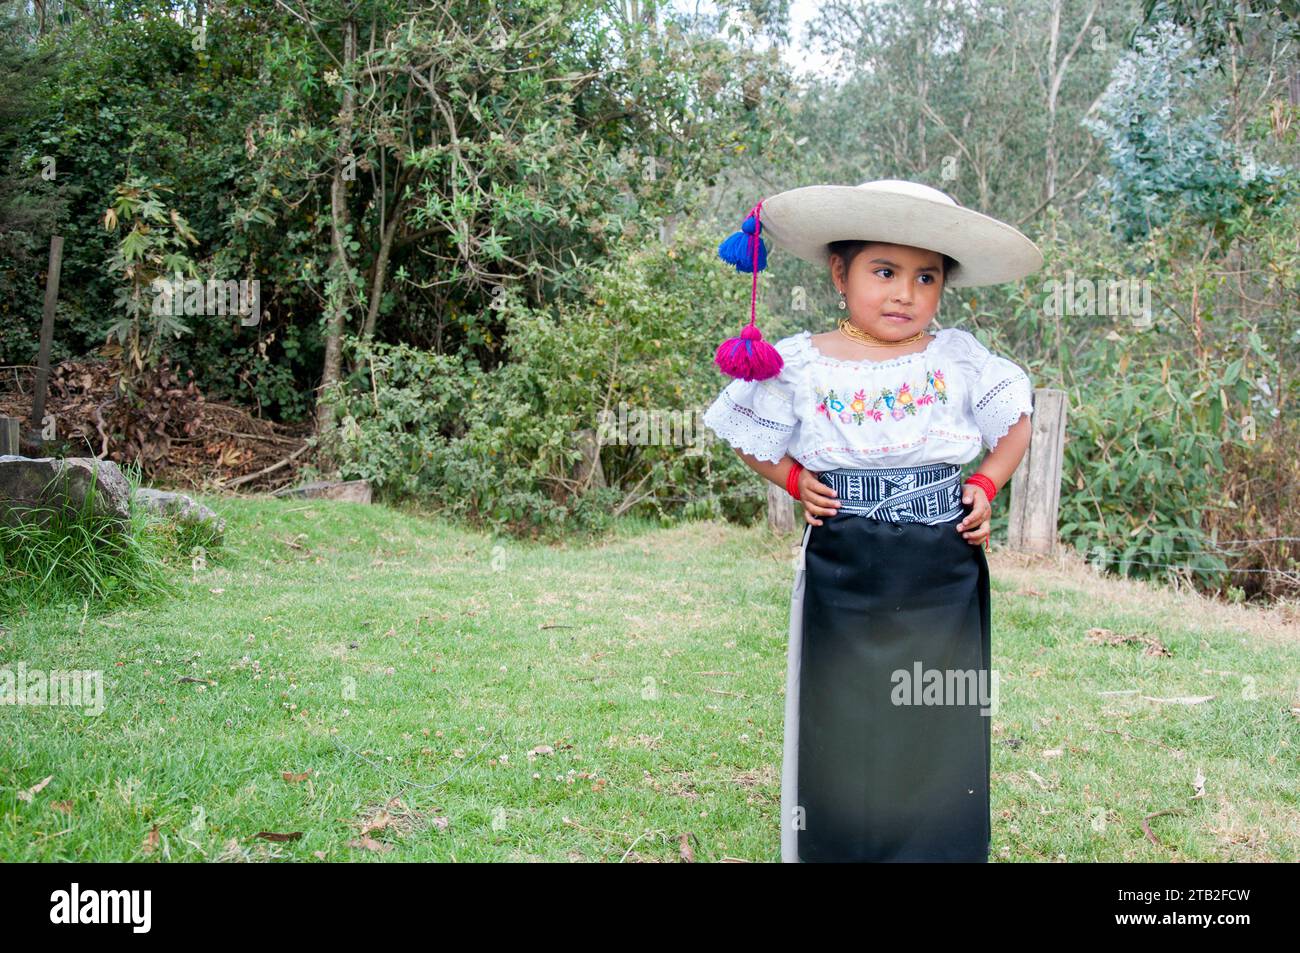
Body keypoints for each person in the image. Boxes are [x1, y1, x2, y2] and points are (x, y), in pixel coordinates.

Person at [702, 179, 1042, 862]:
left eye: (925, 277)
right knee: (847, 715)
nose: (904, 294)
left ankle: (936, 846)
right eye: (884, 271)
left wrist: (984, 481)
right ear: (841, 271)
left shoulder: (956, 357)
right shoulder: (801, 361)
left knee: (934, 714)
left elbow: (1016, 422)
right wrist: (796, 479)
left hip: (941, 561)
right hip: (845, 560)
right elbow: (745, 431)